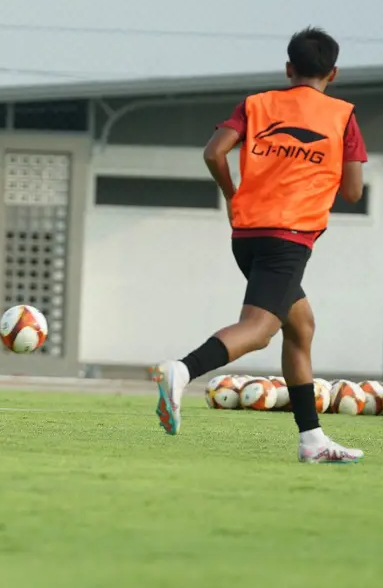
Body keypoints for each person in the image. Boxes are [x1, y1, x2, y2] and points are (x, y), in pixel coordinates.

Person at [151, 27, 368, 464]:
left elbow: (214, 153)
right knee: (259, 330)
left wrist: (233, 194)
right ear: (335, 72)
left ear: (289, 68)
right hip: (288, 238)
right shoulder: (342, 115)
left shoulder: (256, 104)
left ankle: (312, 441)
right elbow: (353, 192)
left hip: (247, 235)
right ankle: (182, 371)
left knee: (301, 326)